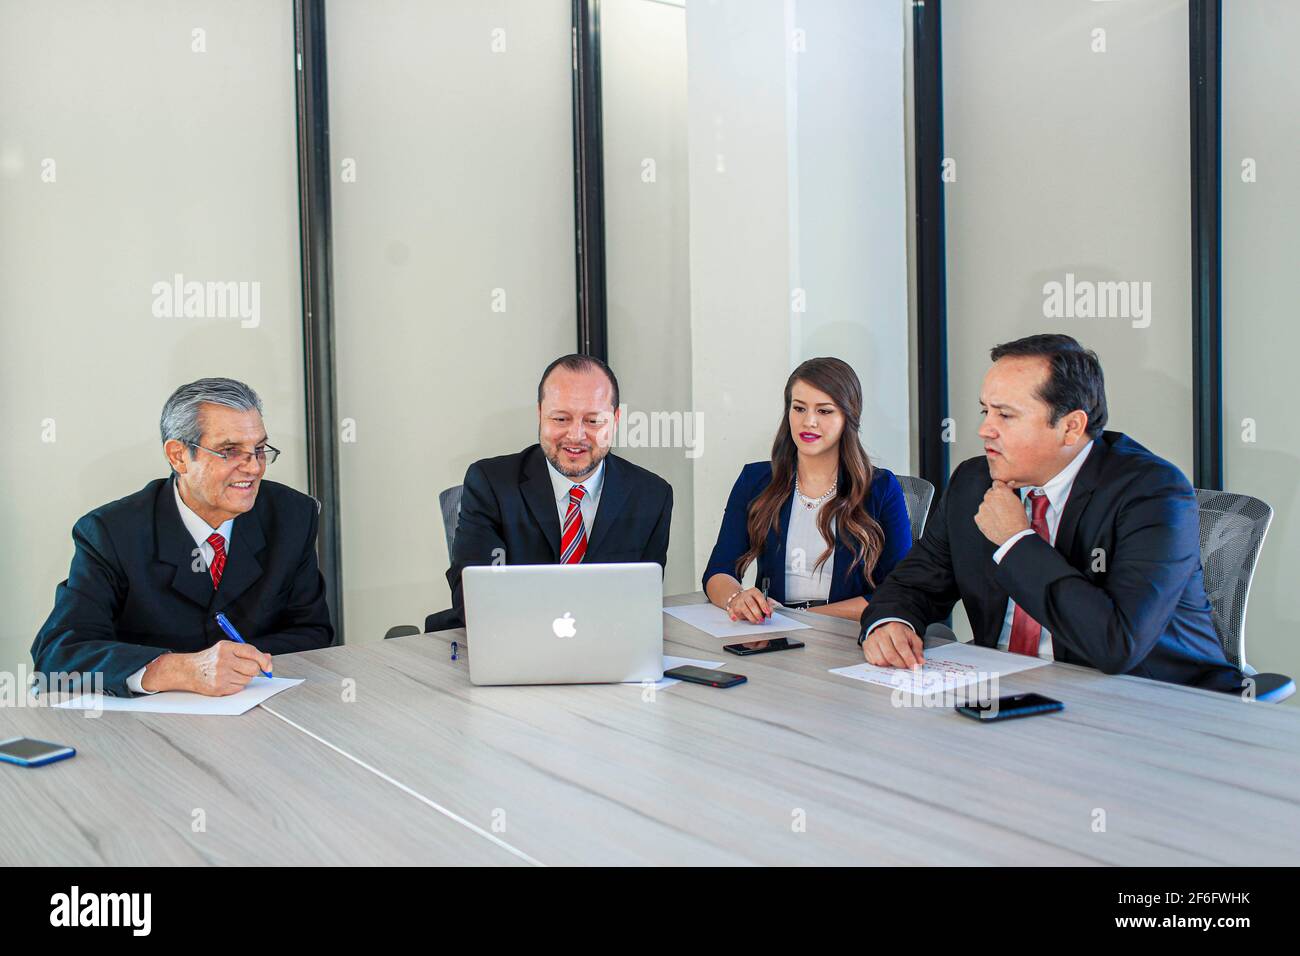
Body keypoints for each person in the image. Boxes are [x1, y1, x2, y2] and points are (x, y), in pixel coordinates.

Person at [860, 333, 1243, 692]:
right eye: (985, 411)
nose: (984, 430)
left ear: (1070, 427)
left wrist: (1015, 540)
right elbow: (912, 584)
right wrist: (891, 621)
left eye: (1005, 415)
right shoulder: (973, 482)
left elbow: (1116, 644)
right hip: (1012, 693)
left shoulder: (1152, 493)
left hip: (1149, 703)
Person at [32, 378, 333, 698]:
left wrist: (234, 664)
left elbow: (312, 631)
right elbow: (58, 655)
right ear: (178, 456)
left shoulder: (292, 515)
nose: (254, 467)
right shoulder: (111, 532)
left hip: (259, 710)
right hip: (148, 726)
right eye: (230, 451)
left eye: (259, 449)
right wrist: (178, 669)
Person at [426, 354, 673, 632]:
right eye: (561, 418)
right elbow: (473, 596)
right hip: (512, 640)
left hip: (605, 647)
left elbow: (640, 601)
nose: (576, 435)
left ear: (615, 419)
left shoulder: (652, 496)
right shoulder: (490, 484)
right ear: (540, 415)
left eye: (593, 421)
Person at [702, 357, 912, 625]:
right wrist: (736, 599)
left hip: (847, 639)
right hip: (772, 635)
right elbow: (719, 571)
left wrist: (802, 619)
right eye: (799, 408)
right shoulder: (756, 481)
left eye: (824, 411)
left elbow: (899, 592)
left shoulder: (880, 488)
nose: (808, 421)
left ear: (848, 416)